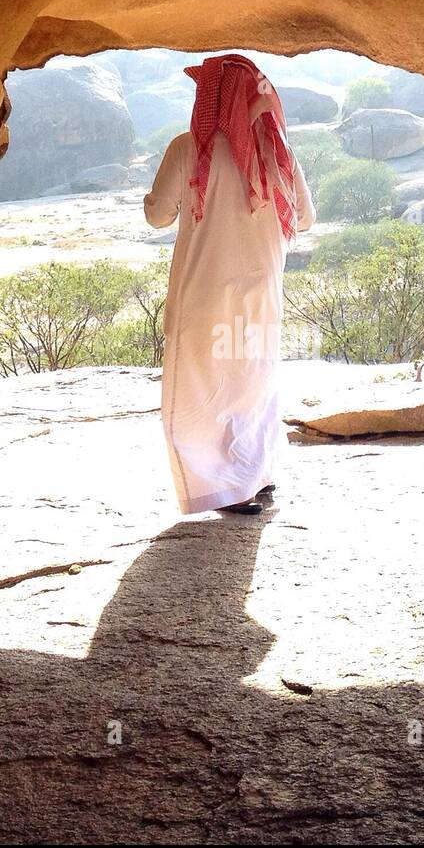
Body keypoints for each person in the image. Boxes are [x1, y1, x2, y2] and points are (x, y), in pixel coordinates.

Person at [142, 54, 315, 515]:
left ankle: (226, 487)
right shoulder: (278, 152)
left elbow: (158, 215)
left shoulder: (187, 148)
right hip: (260, 297)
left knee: (203, 391)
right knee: (252, 383)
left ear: (212, 96)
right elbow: (305, 218)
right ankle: (256, 477)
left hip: (203, 298)